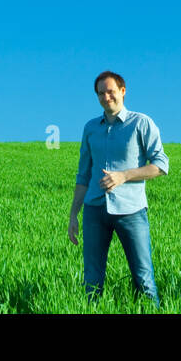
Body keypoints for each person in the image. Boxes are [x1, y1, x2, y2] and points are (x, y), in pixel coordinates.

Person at [68, 70, 169, 308]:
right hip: (94, 210)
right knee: (91, 282)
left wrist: (124, 175)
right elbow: (83, 175)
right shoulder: (91, 128)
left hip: (131, 211)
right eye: (101, 93)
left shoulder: (141, 123)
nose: (106, 97)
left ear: (123, 91)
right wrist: (74, 214)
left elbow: (161, 166)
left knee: (143, 278)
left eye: (111, 91)